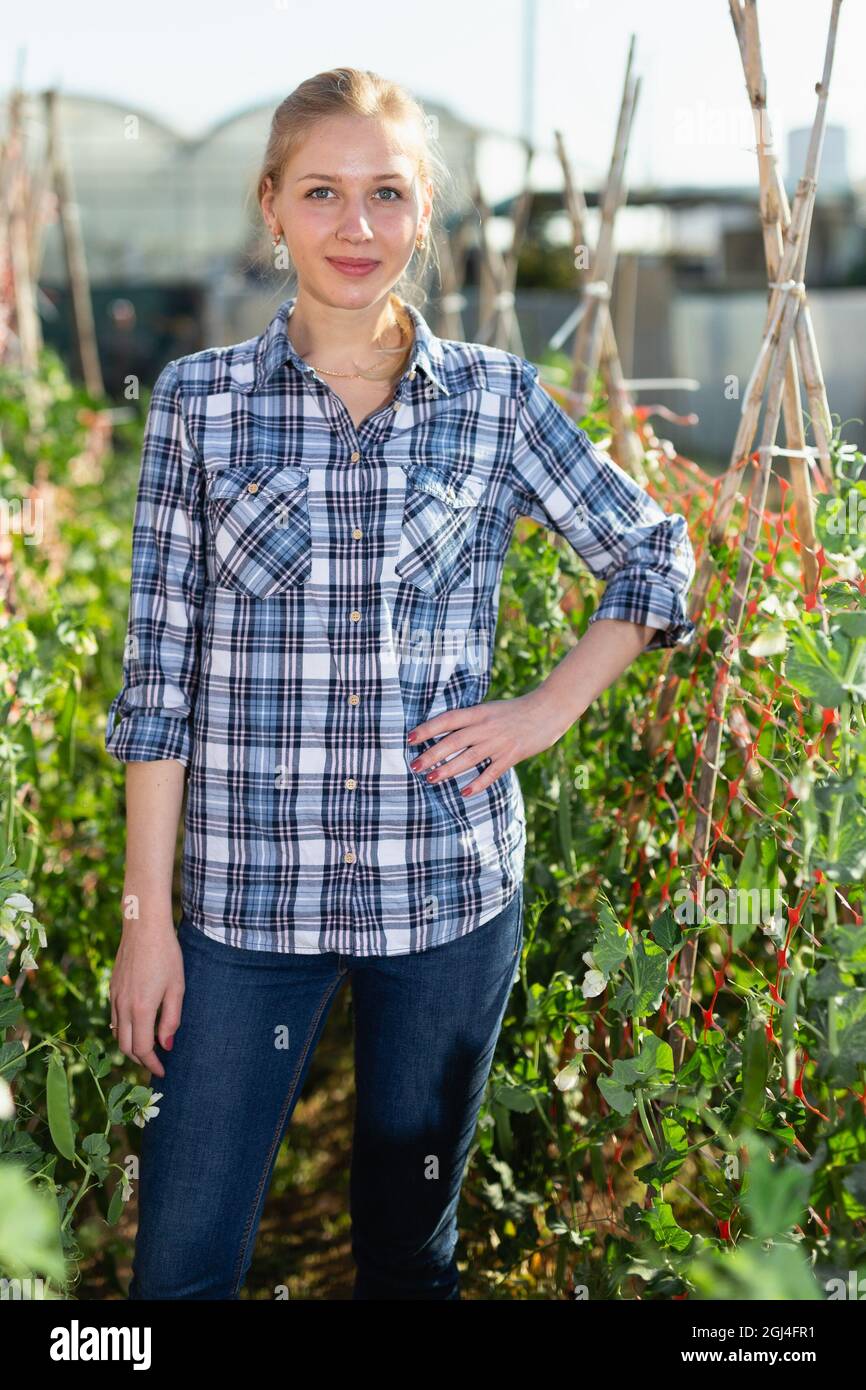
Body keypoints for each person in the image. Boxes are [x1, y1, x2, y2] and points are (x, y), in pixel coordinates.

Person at [105, 66, 697, 1301]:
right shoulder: (199, 404)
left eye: (386, 193)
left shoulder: (489, 400)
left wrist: (543, 711)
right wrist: (146, 923)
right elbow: (157, 678)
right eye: (322, 192)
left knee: (406, 1257)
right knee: (180, 1267)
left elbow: (650, 550)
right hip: (240, 906)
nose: (355, 226)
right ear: (272, 208)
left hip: (441, 893)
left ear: (423, 211)